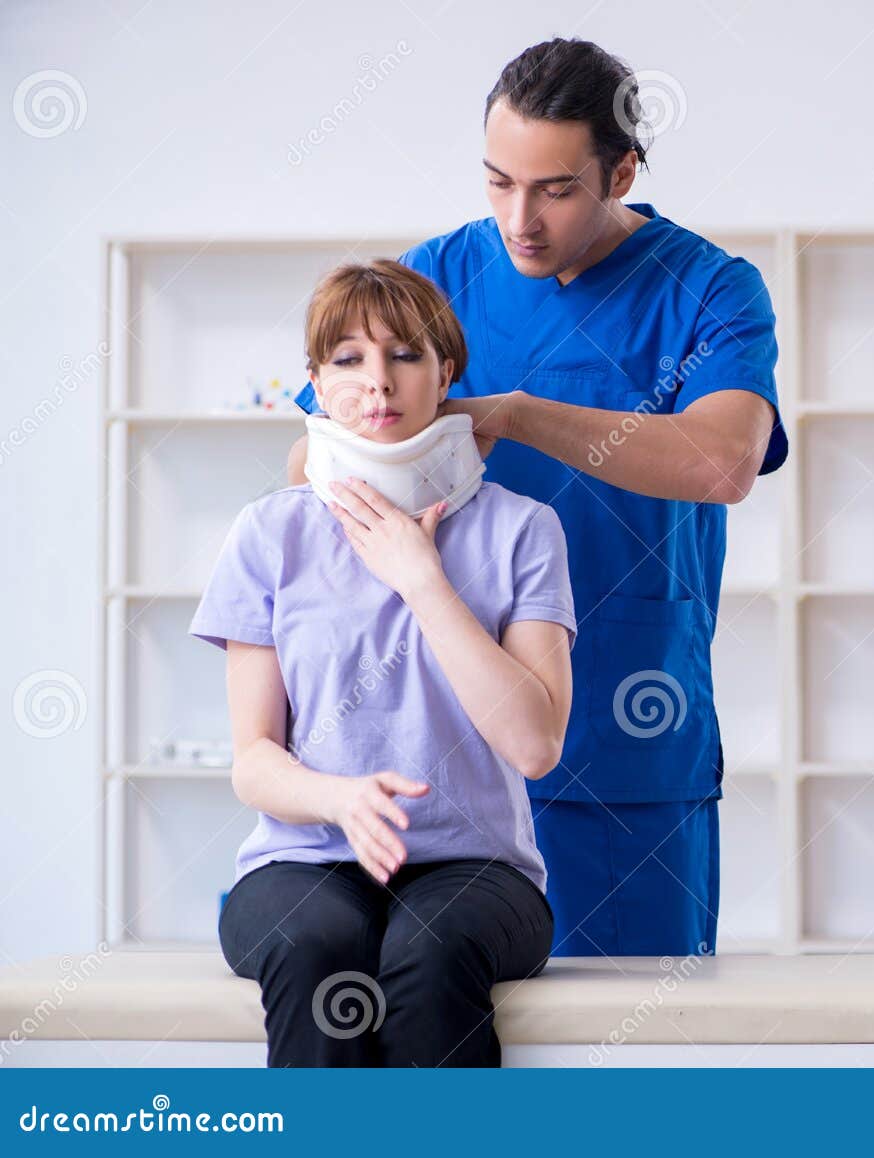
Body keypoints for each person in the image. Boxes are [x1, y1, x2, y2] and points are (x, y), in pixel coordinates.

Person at [286, 39, 784, 958]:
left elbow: (723, 462)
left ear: (622, 171)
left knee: (632, 1046)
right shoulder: (433, 275)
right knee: (442, 1036)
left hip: (624, 728)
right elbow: (308, 462)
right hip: (436, 744)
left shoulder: (710, 288)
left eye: (555, 189)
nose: (521, 218)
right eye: (498, 182)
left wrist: (517, 415)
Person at [193, 260, 576, 1066]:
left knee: (428, 953)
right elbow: (255, 762)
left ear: (447, 374)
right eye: (348, 360)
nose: (379, 384)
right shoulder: (269, 534)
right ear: (315, 386)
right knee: (315, 950)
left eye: (405, 354)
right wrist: (342, 799)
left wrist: (423, 581)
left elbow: (536, 746)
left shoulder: (523, 530)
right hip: (303, 860)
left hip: (477, 869)